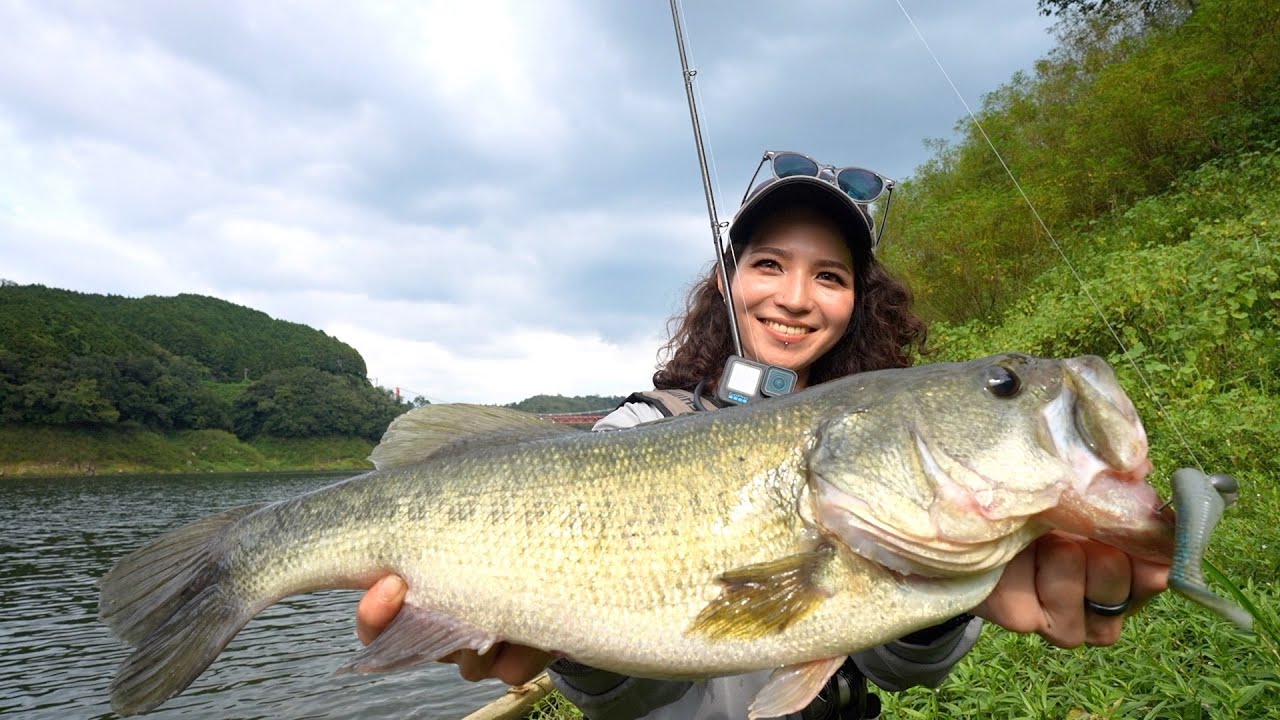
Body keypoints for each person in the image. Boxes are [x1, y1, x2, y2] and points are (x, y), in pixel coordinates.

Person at [354, 151, 1171, 719]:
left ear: (858, 300)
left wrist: (936, 596)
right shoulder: (633, 431)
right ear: (727, 279)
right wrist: (571, 648)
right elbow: (620, 698)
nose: (797, 297)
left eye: (831, 276)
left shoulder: (876, 435)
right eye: (769, 264)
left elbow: (907, 669)